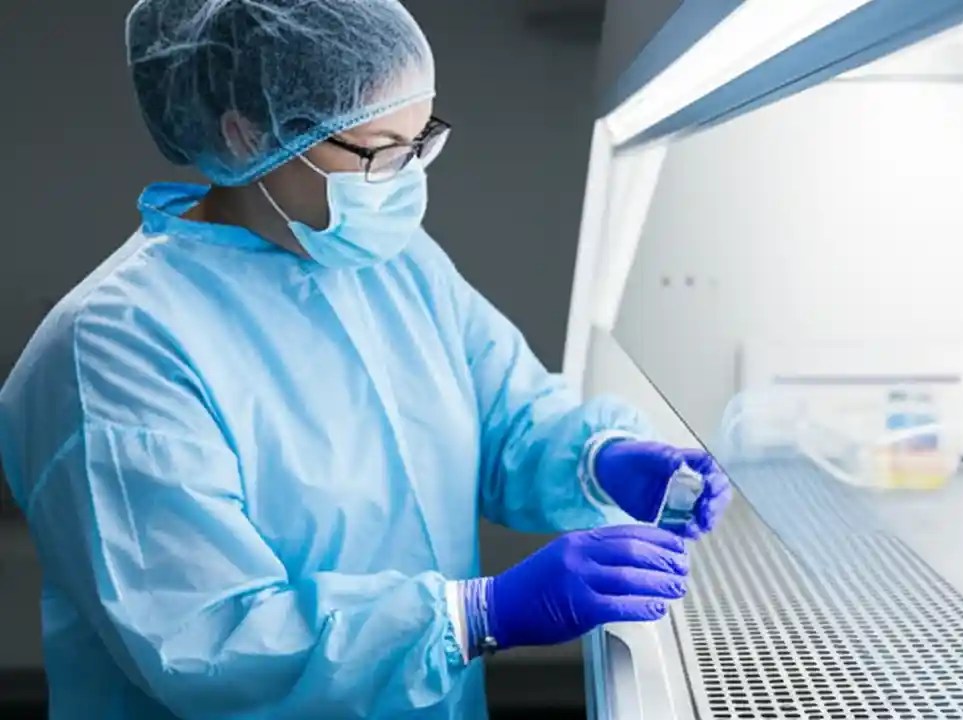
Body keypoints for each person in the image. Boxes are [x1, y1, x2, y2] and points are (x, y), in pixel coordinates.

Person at [0, 1, 732, 718]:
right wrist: (474, 614)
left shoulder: (393, 262)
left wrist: (602, 457)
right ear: (248, 135)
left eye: (421, 142)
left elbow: (504, 417)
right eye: (381, 153)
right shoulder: (115, 346)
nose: (409, 177)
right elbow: (204, 638)